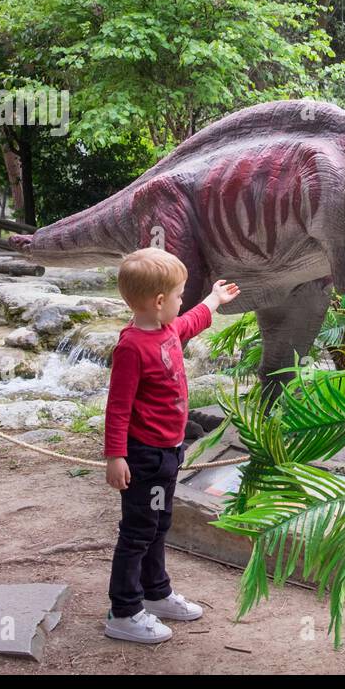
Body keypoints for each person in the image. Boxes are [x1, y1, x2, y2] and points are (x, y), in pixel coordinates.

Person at [102, 248, 240, 643]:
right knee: (137, 531)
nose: (183, 302)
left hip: (169, 453)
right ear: (159, 302)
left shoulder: (166, 330)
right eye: (179, 295)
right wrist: (116, 455)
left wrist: (213, 299)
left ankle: (155, 591)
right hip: (144, 456)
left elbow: (191, 322)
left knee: (159, 523)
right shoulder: (131, 347)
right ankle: (124, 611)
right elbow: (118, 407)